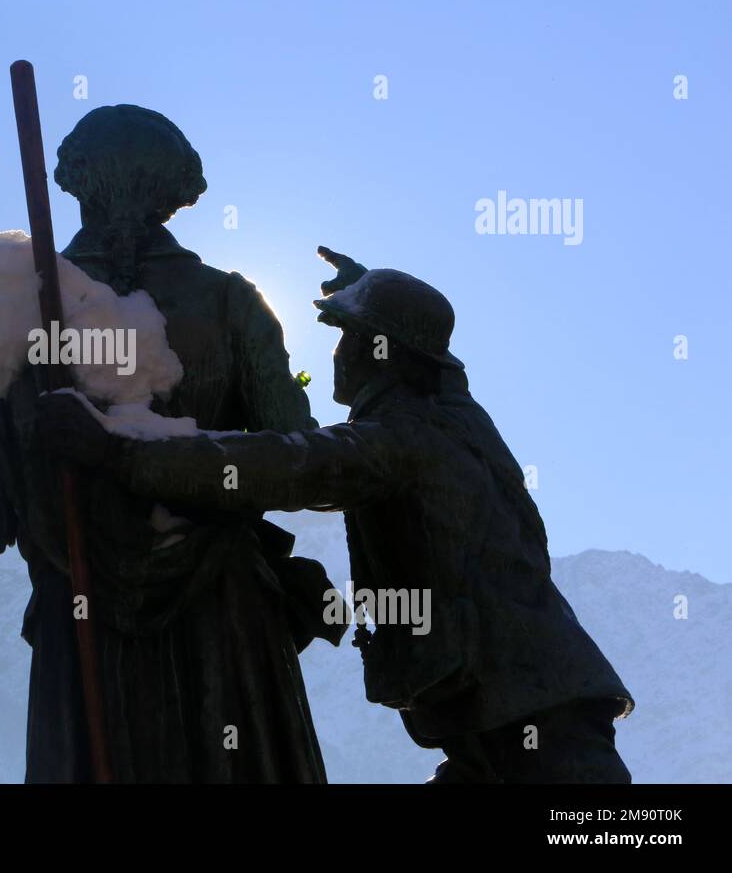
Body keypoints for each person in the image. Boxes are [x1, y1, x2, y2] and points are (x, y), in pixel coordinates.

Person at [0, 104, 341, 782]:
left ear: (77, 184)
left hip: (88, 625)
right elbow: (304, 466)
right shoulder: (229, 304)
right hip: (227, 619)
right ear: (174, 195)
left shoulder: (5, 312)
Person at [36, 250, 634, 782]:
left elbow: (285, 464)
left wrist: (118, 451)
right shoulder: (458, 418)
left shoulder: (400, 441)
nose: (339, 352)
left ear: (382, 353)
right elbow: (444, 367)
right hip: (501, 715)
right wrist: (372, 289)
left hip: (527, 717)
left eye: (351, 337)